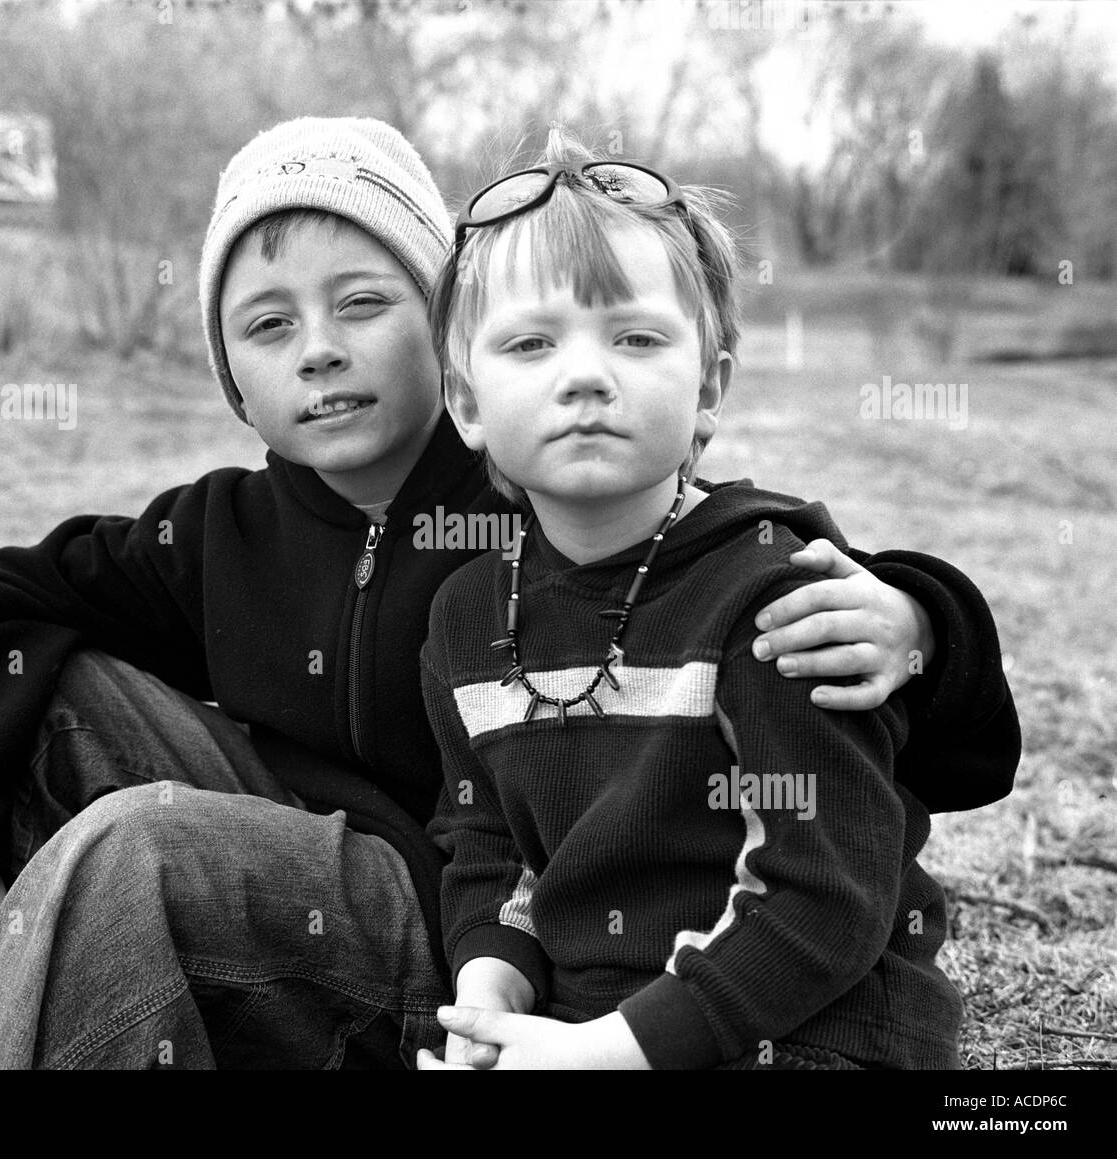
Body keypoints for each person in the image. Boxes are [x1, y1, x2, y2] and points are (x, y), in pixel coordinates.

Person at [0, 118, 1017, 1070]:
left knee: (138, 849)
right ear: (234, 385)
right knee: (33, 709)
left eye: (363, 303)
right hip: (377, 867)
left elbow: (764, 569)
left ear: (445, 340)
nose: (318, 350)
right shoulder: (215, 532)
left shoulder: (540, 477)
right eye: (268, 325)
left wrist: (923, 622)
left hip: (449, 910)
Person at [415, 127, 987, 1071]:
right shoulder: (466, 619)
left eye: (637, 337)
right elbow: (486, 845)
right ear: (467, 403)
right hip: (592, 1023)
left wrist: (607, 1052)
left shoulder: (770, 588)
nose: (586, 374)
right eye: (530, 343)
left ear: (709, 388)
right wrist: (490, 999)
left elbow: (825, 892)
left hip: (816, 1028)